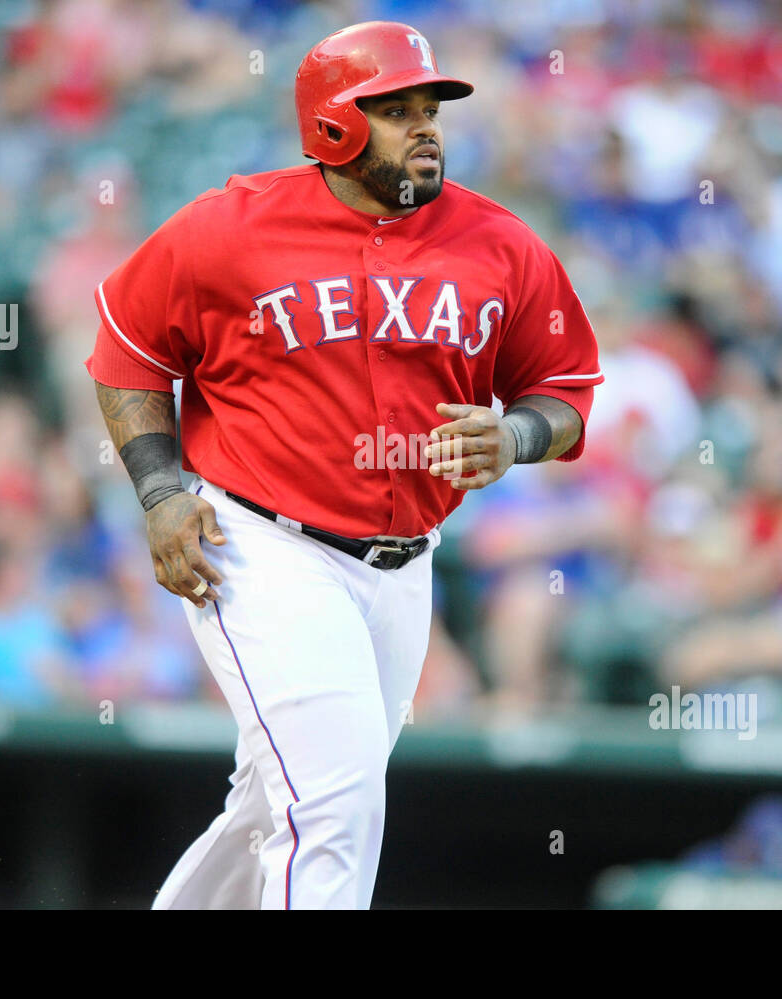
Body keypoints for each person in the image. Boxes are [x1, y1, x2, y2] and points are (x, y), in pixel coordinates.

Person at [88, 21, 602, 909]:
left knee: (274, 805)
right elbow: (128, 349)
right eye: (396, 109)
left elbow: (564, 388)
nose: (426, 125)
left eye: (430, 106)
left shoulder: (499, 243)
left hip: (405, 568)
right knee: (336, 800)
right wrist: (162, 492)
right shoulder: (230, 228)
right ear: (333, 126)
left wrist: (514, 436)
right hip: (260, 545)